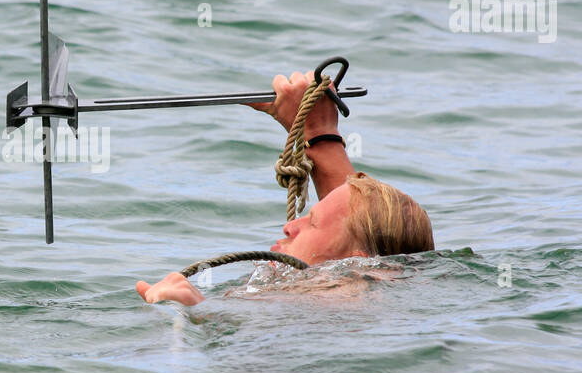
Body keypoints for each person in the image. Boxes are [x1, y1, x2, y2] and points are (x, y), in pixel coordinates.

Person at [136, 70, 434, 305]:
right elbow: (351, 227)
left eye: (312, 221)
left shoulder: (341, 298)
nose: (290, 226)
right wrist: (318, 132)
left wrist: (194, 310)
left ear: (357, 265)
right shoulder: (365, 294)